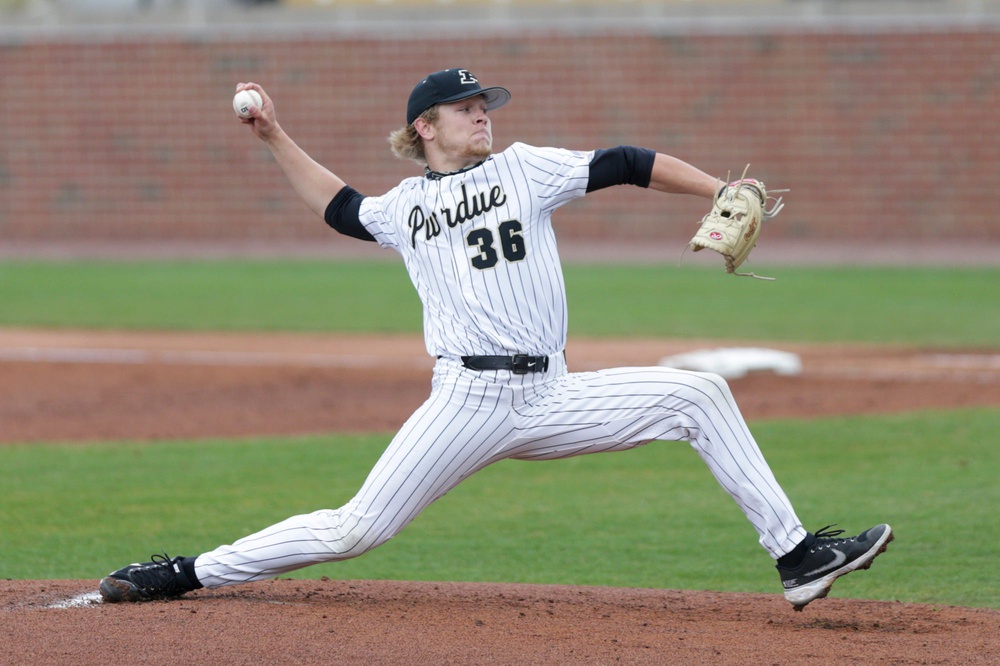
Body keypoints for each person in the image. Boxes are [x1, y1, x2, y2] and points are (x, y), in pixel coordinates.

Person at [99, 68, 892, 610]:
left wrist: (721, 187)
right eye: (466, 107)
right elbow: (338, 207)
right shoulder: (404, 207)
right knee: (356, 529)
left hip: (552, 393)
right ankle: (187, 572)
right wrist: (273, 134)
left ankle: (797, 557)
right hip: (467, 401)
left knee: (700, 395)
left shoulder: (525, 169)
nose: (483, 115)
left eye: (486, 105)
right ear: (426, 126)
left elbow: (627, 161)